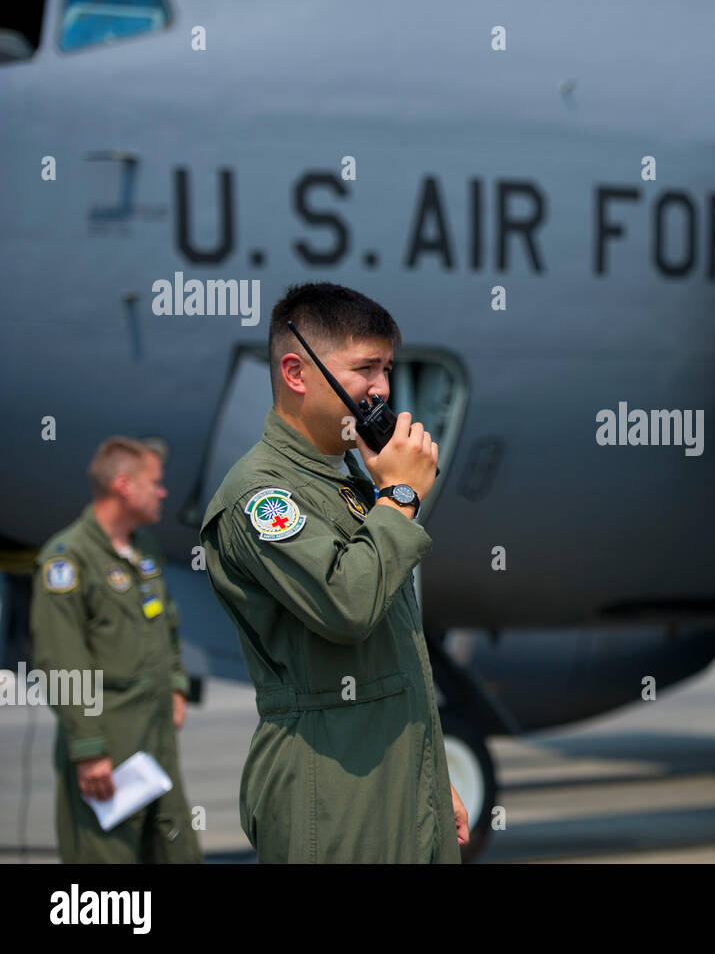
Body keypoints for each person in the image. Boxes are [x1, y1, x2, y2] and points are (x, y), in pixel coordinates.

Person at [199, 282, 468, 863]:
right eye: (365, 368)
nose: (383, 389)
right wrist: (398, 497)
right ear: (297, 373)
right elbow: (347, 606)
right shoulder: (262, 496)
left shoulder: (346, 484)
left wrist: (427, 777)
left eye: (387, 368)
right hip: (332, 791)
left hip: (393, 781)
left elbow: (386, 658)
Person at [30, 436, 202, 863]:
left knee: (176, 850)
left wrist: (177, 684)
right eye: (155, 483)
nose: (163, 492)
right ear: (124, 486)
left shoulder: (143, 550)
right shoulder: (68, 561)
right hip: (110, 745)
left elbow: (166, 625)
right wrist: (89, 751)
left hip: (157, 738)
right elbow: (61, 662)